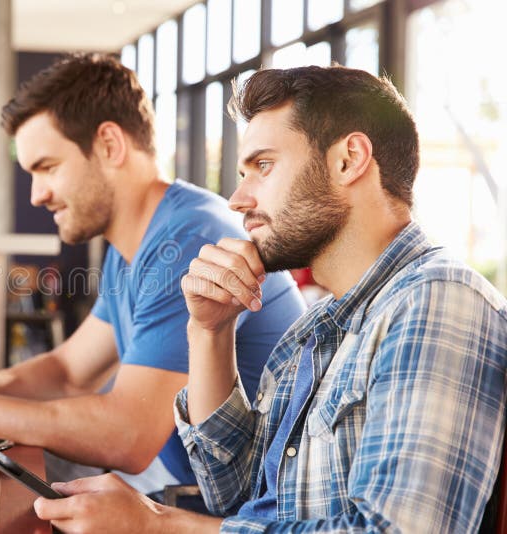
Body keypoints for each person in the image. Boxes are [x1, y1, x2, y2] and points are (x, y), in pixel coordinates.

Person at [33, 65, 507, 532]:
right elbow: (235, 493)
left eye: (263, 166)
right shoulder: (321, 324)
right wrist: (209, 331)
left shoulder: (435, 302)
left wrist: (156, 526)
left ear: (349, 159)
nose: (237, 199)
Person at [0, 53, 305, 494]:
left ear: (109, 145)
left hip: (238, 511)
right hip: (192, 490)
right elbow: (68, 372)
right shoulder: (135, 244)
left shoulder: (189, 238)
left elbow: (128, 435)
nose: (36, 195)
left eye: (47, 167)